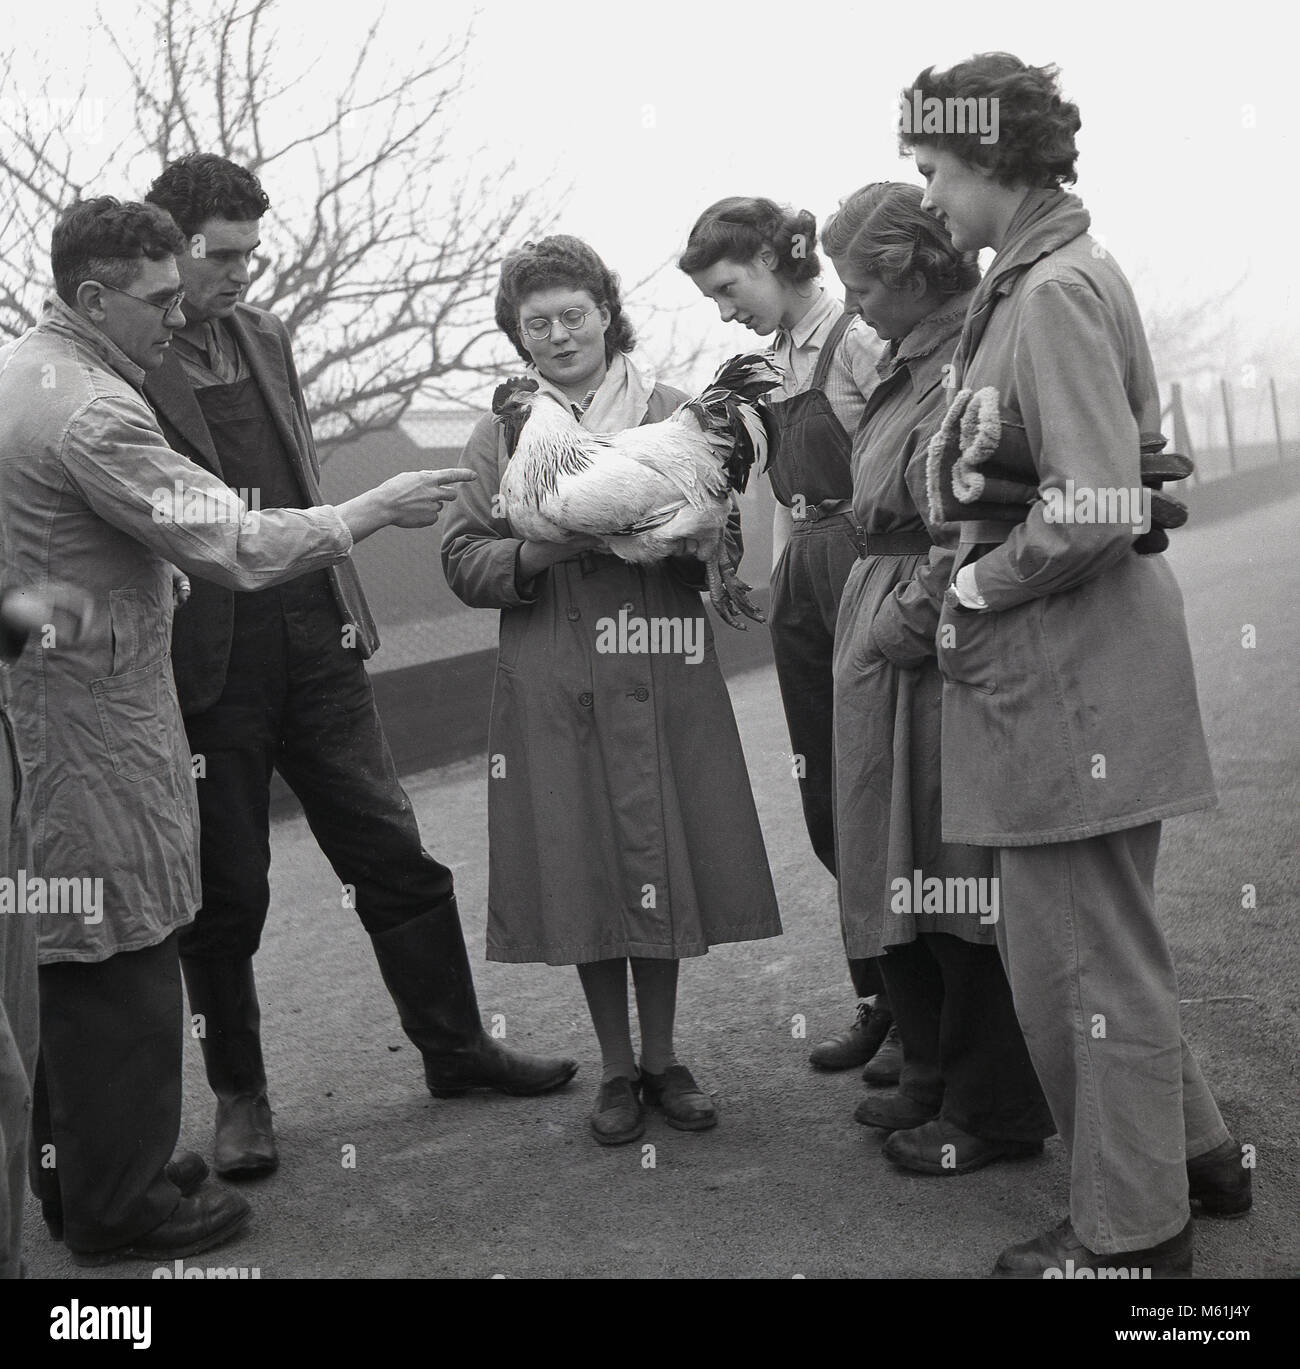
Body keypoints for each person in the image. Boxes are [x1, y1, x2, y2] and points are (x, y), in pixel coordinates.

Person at [0, 196, 472, 1263]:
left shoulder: (24, 375)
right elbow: (231, 542)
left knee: (76, 953)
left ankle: (91, 1174)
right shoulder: (93, 411)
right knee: (120, 951)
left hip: (42, 715)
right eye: (159, 299)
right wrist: (365, 510)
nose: (177, 319)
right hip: (93, 728)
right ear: (92, 297)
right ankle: (122, 1210)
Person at [141, 154, 577, 1180]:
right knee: (226, 893)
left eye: (254, 250)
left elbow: (297, 477)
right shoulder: (128, 362)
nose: (245, 271)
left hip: (318, 637)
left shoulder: (263, 336)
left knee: (394, 853)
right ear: (171, 245)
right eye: (225, 254)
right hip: (206, 664)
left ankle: (457, 1049)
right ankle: (241, 1099)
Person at [900, 52, 1249, 1275]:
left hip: (1064, 674)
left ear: (994, 161)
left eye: (937, 170)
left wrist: (979, 581)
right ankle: (1196, 1156)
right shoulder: (1048, 274)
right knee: (1095, 946)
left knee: (1078, 970)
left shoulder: (1047, 291)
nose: (931, 198)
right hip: (1066, 673)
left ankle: (1131, 1236)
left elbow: (1093, 499)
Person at [442, 235, 781, 1145]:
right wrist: (549, 544)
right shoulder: (502, 432)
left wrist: (702, 545)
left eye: (574, 315)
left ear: (606, 313)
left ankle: (665, 1054)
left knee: (660, 849)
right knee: (585, 857)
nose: (558, 335)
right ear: (518, 335)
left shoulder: (675, 409)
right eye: (536, 322)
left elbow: (723, 531)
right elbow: (462, 558)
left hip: (661, 659)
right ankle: (615, 1066)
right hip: (557, 670)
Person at [823, 182, 1053, 1171]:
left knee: (952, 871)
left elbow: (961, 508)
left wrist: (910, 623)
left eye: (862, 284)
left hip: (926, 637)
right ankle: (932, 1066)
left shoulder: (963, 354)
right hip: (883, 621)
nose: (854, 305)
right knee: (889, 854)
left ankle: (992, 1106)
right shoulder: (904, 354)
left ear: (911, 274)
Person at [680, 198, 898, 1081]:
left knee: (883, 786)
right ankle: (882, 997)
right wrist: (760, 579)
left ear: (779, 258)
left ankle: (933, 1011)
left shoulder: (859, 337)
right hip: (804, 572)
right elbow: (772, 487)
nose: (727, 311)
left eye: (731, 288)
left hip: (865, 555)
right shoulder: (762, 369)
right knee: (828, 796)